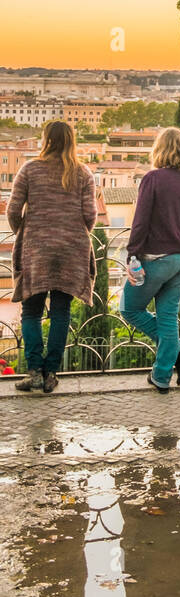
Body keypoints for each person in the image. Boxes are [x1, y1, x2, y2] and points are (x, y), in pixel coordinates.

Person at [8, 120, 97, 394]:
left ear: (45, 139)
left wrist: (28, 231)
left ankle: (34, 371)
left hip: (36, 249)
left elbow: (12, 210)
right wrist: (73, 233)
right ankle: (51, 374)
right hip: (72, 251)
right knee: (61, 312)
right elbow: (90, 216)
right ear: (72, 141)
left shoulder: (29, 170)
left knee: (31, 312)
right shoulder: (83, 174)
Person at [119, 127, 180, 393]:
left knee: (129, 309)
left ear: (159, 149)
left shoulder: (153, 178)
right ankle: (161, 375)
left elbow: (141, 221)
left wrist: (131, 254)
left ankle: (176, 348)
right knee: (168, 317)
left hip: (159, 258)